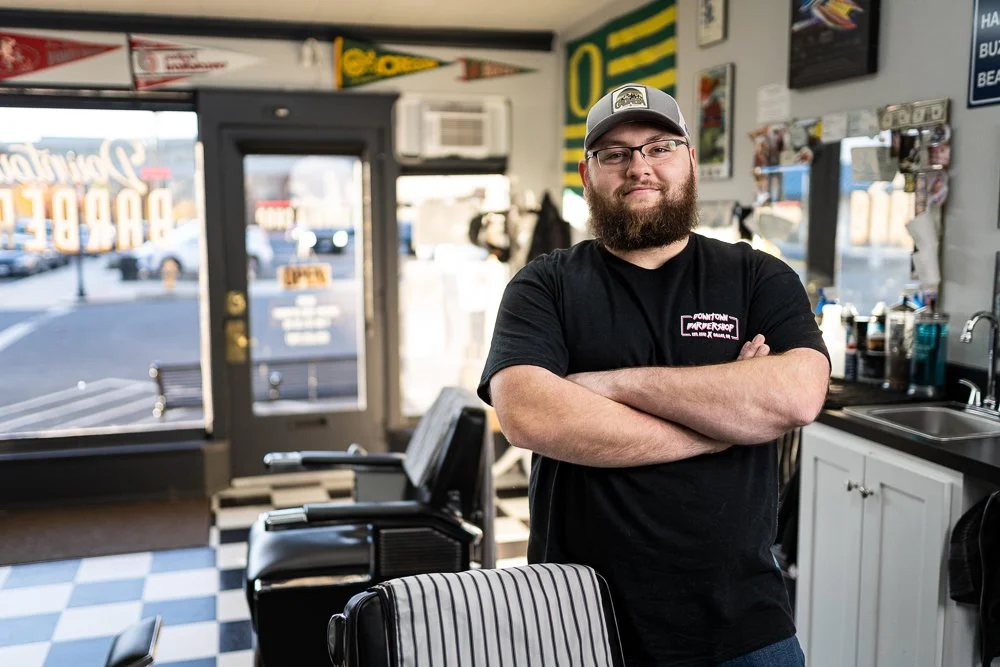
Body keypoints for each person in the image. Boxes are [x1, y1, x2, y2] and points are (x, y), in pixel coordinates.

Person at [477, 83, 830, 666]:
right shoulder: (544, 285)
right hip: (578, 625)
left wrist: (611, 384)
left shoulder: (758, 277)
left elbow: (796, 397)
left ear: (690, 161)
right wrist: (723, 426)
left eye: (659, 147)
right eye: (614, 153)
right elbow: (528, 414)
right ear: (587, 176)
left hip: (742, 625)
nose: (639, 167)